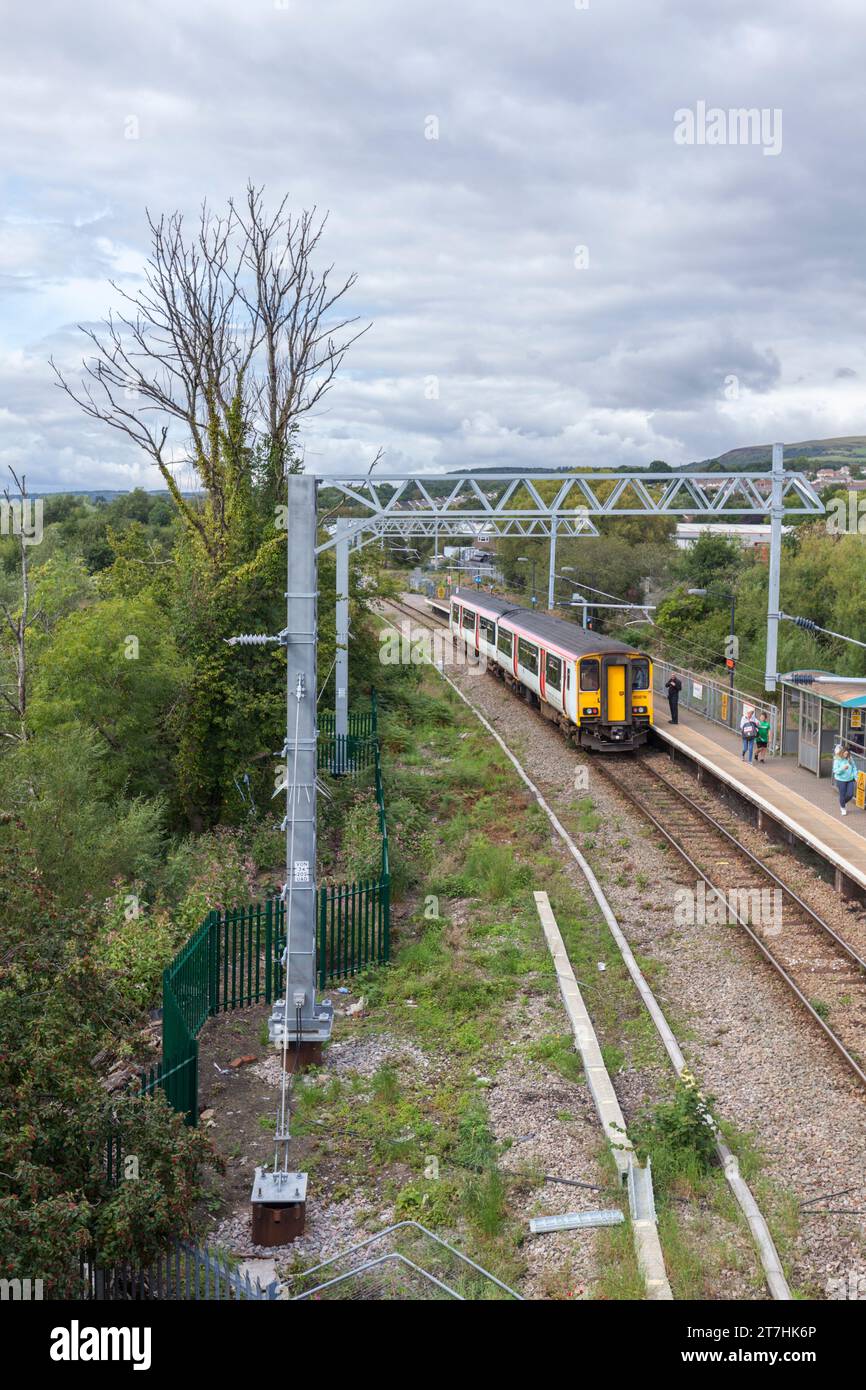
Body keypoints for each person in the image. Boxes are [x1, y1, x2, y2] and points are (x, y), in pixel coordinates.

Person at [832, 744, 858, 817]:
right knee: (842, 795)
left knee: (850, 794)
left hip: (850, 779)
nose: (846, 755)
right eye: (845, 753)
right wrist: (843, 768)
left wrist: (856, 777)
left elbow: (854, 768)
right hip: (840, 780)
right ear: (842, 753)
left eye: (847, 753)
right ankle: (843, 808)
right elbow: (835, 771)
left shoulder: (850, 758)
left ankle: (843, 802)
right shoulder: (837, 759)